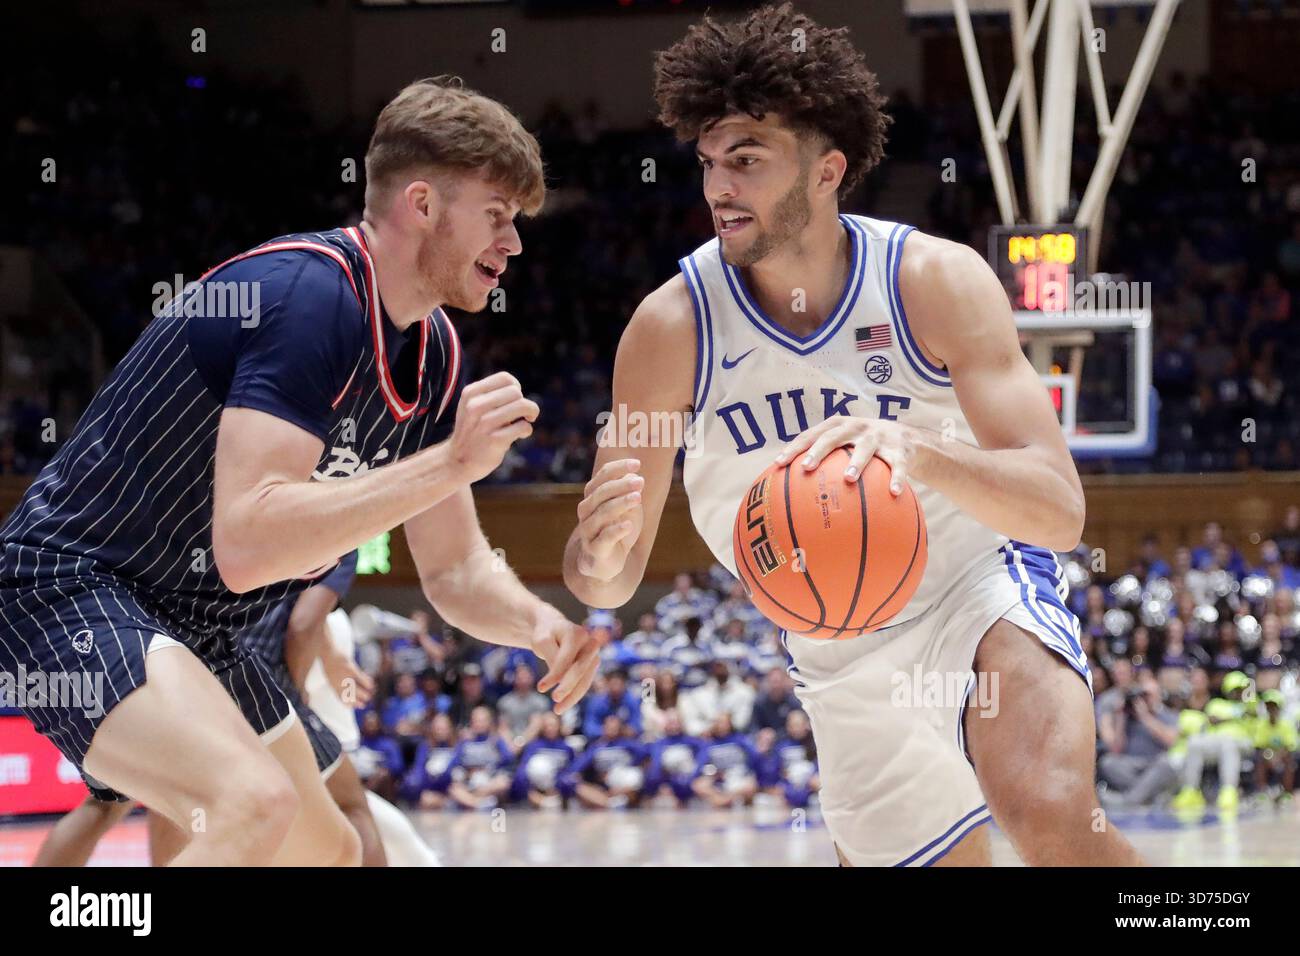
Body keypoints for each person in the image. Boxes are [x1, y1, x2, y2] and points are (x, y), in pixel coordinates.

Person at [563, 4, 1139, 865]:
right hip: (834, 644)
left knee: (1049, 811)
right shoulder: (671, 327)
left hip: (973, 585)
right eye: (711, 163)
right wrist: (593, 549)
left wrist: (918, 451)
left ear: (828, 170)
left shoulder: (934, 281)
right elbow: (605, 581)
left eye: (748, 160)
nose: (720, 186)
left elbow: (1059, 513)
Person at [0, 76, 599, 866]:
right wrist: (449, 461)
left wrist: (539, 625)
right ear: (422, 205)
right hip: (75, 586)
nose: (513, 244)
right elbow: (247, 542)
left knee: (333, 854)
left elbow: (453, 569)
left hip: (202, 627)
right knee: (250, 803)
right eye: (496, 217)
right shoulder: (308, 298)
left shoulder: (438, 352)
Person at [1172, 671, 1255, 813]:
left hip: (1242, 744)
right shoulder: (1217, 704)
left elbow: (1255, 712)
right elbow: (1213, 719)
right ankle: (1190, 790)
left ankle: (1229, 790)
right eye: (1236, 689)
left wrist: (1248, 696)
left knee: (1228, 744)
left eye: (1241, 689)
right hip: (1217, 743)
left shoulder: (1250, 704)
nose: (1239, 692)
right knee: (1194, 741)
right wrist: (1237, 716)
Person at [1251, 689, 1296, 804]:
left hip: (1282, 755)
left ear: (1279, 708)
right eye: (1268, 706)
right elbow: (1260, 746)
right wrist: (1270, 756)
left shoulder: (1286, 725)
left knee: (1289, 761)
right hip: (1267, 755)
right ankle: (1262, 792)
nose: (1271, 709)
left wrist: (1277, 756)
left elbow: (1289, 746)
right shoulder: (1261, 724)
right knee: (1259, 759)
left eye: (1274, 706)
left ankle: (1287, 793)